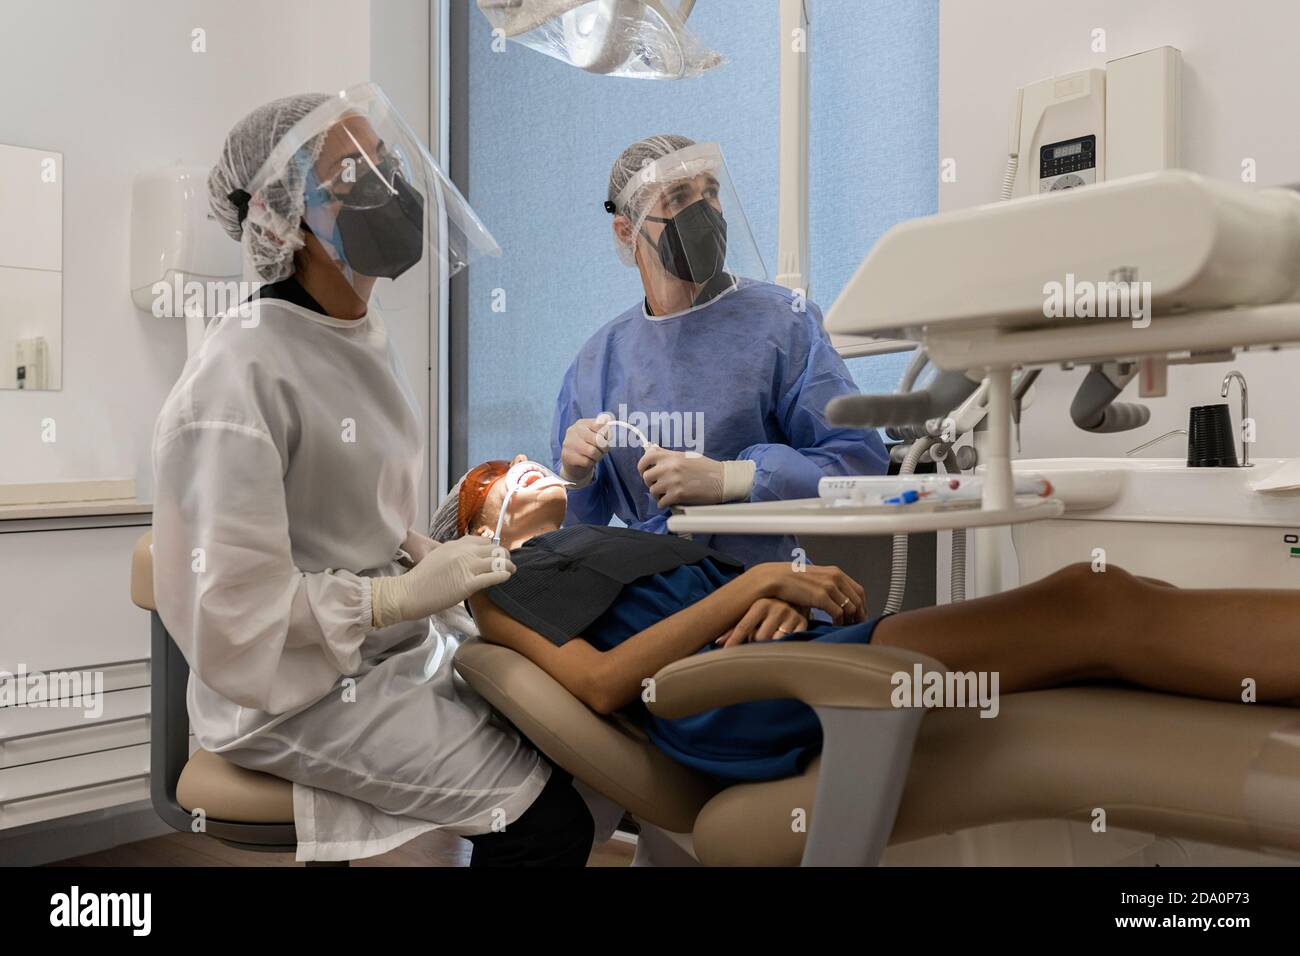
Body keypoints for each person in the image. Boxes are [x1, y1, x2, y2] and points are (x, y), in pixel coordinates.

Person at [152, 85, 593, 865]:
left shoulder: (358, 334)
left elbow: (356, 528)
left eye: (384, 160)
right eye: (353, 175)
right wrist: (392, 596)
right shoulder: (239, 374)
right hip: (290, 696)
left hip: (385, 653)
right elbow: (232, 612)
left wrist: (468, 519)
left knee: (586, 743)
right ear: (285, 221)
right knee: (546, 817)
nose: (388, 186)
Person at [441, 454, 1300, 781]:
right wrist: (750, 588)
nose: (520, 466)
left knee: (1109, 614)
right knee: (1094, 603)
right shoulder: (490, 585)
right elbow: (597, 683)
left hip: (778, 653)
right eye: (494, 478)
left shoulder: (613, 535)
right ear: (477, 528)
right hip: (732, 700)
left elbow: (700, 598)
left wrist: (772, 593)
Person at [553, 135, 890, 567]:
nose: (703, 211)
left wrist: (734, 477)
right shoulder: (598, 362)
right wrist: (575, 478)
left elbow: (857, 464)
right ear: (627, 231)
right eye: (677, 197)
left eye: (710, 192)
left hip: (764, 597)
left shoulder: (782, 323)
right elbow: (575, 529)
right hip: (651, 594)